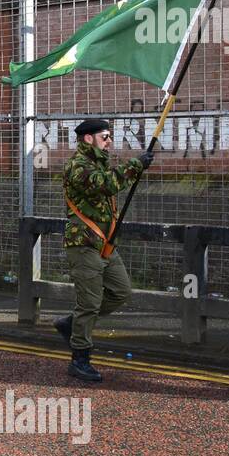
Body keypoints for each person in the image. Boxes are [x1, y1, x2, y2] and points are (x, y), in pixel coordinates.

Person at [53, 119, 152, 383]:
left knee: (121, 292)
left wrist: (133, 168)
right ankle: (80, 360)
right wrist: (135, 165)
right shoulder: (77, 166)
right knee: (89, 303)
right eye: (105, 136)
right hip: (84, 244)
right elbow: (105, 185)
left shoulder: (99, 163)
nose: (109, 141)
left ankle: (72, 324)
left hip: (104, 243)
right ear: (88, 139)